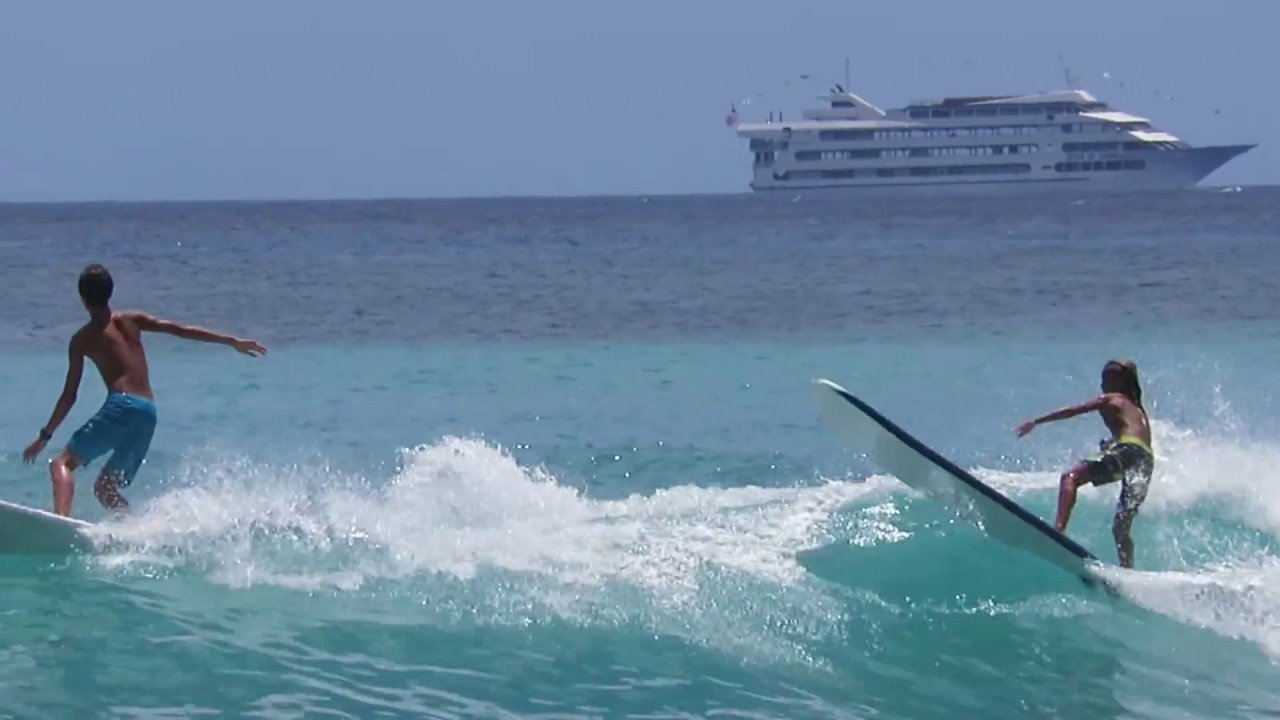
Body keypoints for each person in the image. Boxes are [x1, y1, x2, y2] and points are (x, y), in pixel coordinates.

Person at [21, 264, 267, 518]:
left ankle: (62, 522)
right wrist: (231, 341)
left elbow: (70, 395)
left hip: (122, 405)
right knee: (106, 489)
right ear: (110, 292)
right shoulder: (131, 320)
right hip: (148, 412)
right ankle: (136, 532)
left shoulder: (83, 339)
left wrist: (45, 436)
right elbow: (180, 330)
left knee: (61, 464)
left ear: (82, 298)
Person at [1014, 359, 1153, 569]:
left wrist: (1036, 421)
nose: (1102, 382)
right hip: (1145, 461)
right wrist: (1112, 445)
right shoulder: (1138, 409)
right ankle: (1128, 570)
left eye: (1107, 378)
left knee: (1070, 478)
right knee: (1121, 527)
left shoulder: (1111, 399)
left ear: (1120, 382)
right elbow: (1138, 443)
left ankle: (1057, 531)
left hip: (1129, 450)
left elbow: (1073, 410)